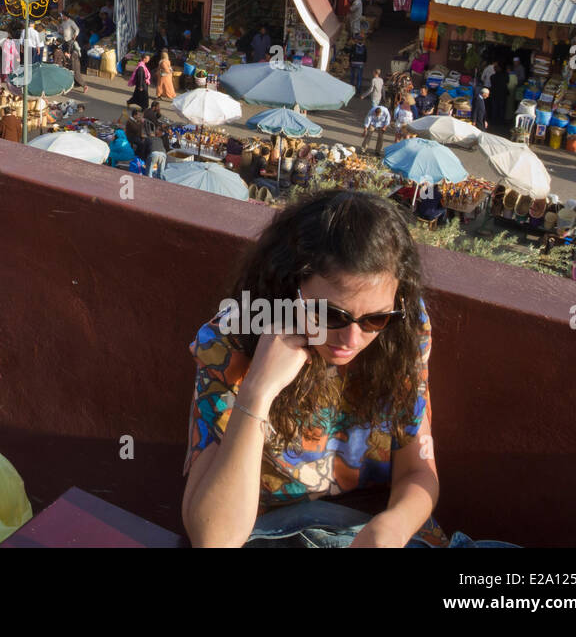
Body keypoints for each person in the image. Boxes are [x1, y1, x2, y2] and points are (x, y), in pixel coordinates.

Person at [182, 190, 443, 548]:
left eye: (375, 318)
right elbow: (213, 538)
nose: (352, 337)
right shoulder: (229, 343)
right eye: (331, 314)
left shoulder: (402, 330)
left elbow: (418, 472)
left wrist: (392, 529)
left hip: (370, 526)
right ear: (290, 288)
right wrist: (257, 392)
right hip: (275, 533)